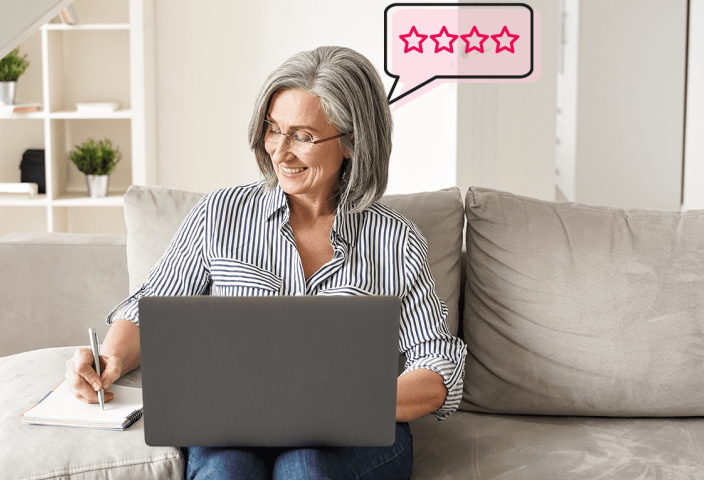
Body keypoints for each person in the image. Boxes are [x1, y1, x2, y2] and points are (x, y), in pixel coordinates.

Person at [65, 45, 467, 479]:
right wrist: (107, 361)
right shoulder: (220, 213)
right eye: (273, 129)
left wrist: (347, 403)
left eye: (303, 136)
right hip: (231, 429)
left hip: (347, 440)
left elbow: (436, 360)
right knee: (226, 472)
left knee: (304, 467)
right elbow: (153, 307)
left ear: (352, 142)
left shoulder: (396, 241)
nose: (280, 152)